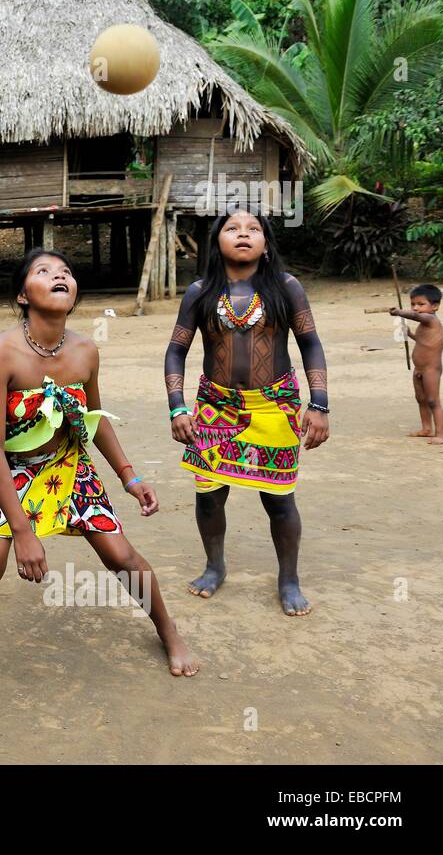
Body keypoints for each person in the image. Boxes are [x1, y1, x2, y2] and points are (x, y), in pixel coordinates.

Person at [0, 248, 198, 691]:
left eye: (65, 271)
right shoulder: (0, 354)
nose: (58, 276)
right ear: (23, 295)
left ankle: (167, 630)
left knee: (121, 555)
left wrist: (129, 476)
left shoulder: (85, 351)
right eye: (43, 272)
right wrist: (23, 532)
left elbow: (92, 420)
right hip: (7, 467)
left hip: (68, 463)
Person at [164, 205, 329, 617]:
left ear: (266, 244)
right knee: (209, 497)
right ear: (217, 242)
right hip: (215, 408)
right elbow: (176, 350)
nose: (242, 233)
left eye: (253, 228)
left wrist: (319, 403)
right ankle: (214, 565)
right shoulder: (199, 292)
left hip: (274, 406)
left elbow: (311, 344)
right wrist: (177, 407)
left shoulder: (287, 287)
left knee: (279, 500)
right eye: (232, 228)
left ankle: (288, 578)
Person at [391, 283, 443, 444]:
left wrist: (399, 312)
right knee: (421, 399)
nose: (415, 308)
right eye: (413, 304)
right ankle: (426, 428)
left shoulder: (431, 320)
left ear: (435, 306)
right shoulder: (424, 325)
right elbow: (423, 341)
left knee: (433, 401)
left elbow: (416, 316)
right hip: (419, 369)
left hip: (431, 370)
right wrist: (410, 334)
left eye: (421, 304)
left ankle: (441, 434)